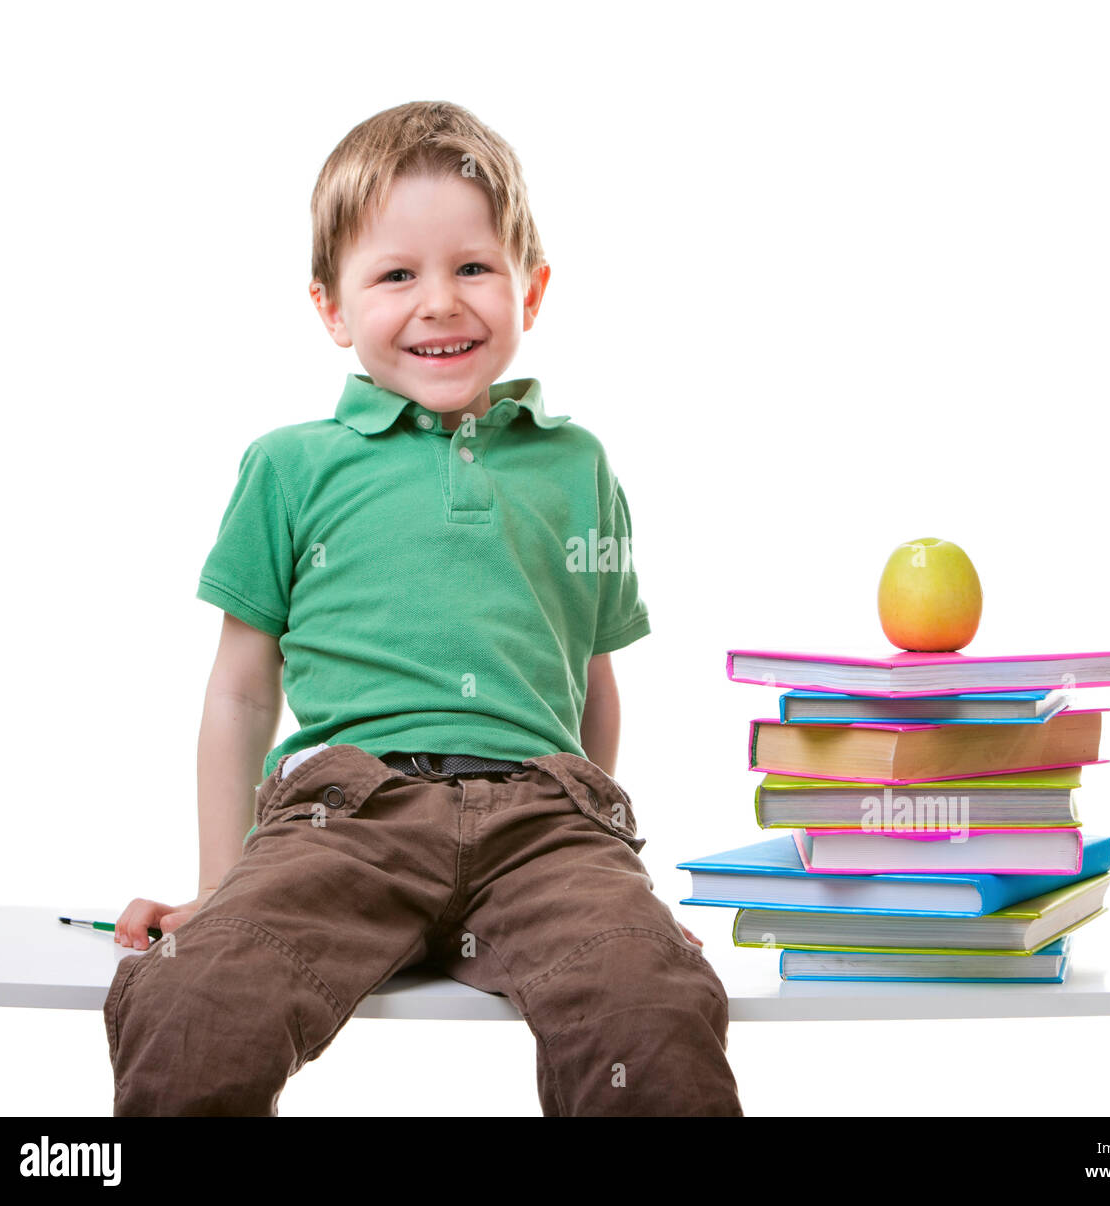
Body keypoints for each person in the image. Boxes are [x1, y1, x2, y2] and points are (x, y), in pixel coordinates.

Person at [102, 100, 743, 1117]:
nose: (440, 303)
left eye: (473, 269)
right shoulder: (290, 466)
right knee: (200, 991)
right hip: (344, 817)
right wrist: (222, 885)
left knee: (646, 994)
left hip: (544, 820)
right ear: (330, 307)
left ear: (531, 285)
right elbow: (238, 694)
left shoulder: (577, 466)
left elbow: (591, 681)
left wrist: (608, 884)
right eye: (397, 275)